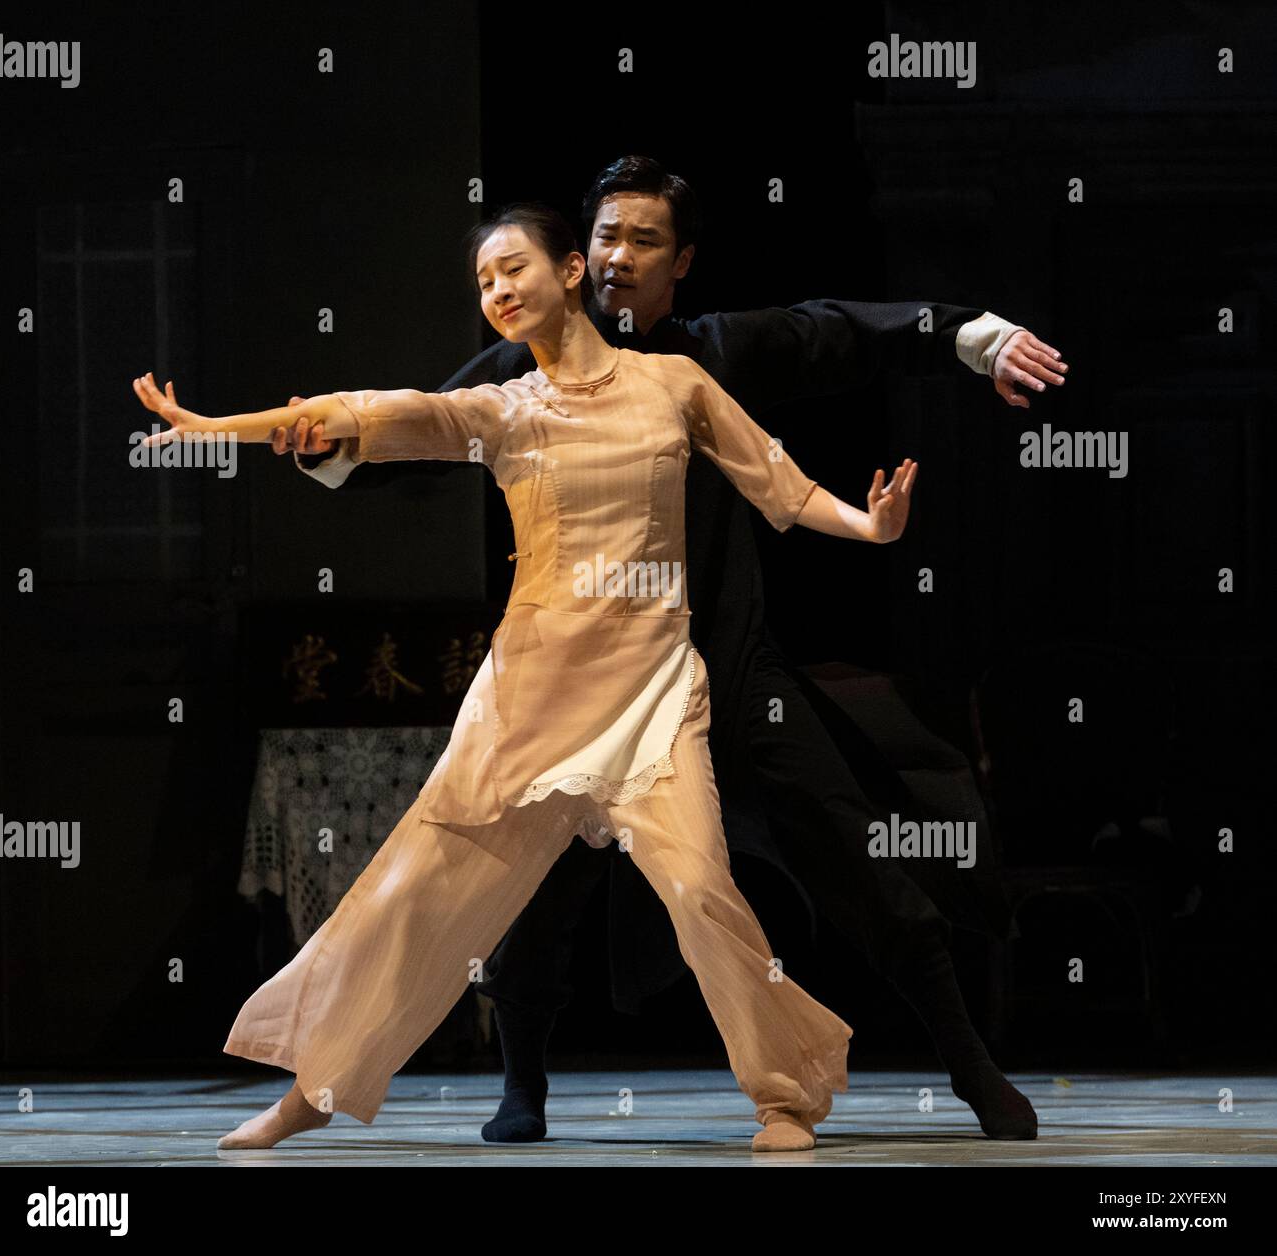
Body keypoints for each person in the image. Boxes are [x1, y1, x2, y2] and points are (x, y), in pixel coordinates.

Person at [275, 156, 1059, 1142]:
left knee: (859, 856)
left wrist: (971, 337)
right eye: (604, 237)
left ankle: (970, 1065)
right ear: (577, 257)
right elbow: (420, 422)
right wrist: (327, 443)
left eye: (643, 240)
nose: (617, 257)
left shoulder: (713, 355)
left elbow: (836, 332)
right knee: (539, 886)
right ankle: (523, 1087)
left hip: (728, 674)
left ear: (678, 260)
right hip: (590, 693)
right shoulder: (528, 365)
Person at [131, 201, 921, 1153]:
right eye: (484, 283)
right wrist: (220, 425)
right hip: (529, 696)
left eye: (513, 269)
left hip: (652, 694)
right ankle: (314, 1091)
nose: (498, 291)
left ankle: (782, 1094)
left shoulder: (673, 384)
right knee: (415, 890)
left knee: (701, 889)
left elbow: (777, 483)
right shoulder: (502, 411)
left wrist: (869, 527)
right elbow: (371, 414)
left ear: (573, 272)